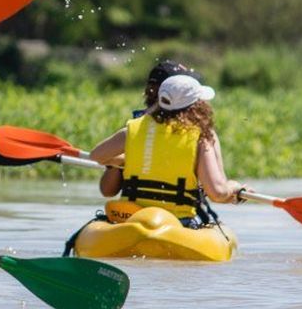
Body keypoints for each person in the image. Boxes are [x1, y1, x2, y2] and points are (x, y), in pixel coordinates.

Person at [88, 60, 246, 228]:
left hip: (129, 217)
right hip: (177, 222)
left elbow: (95, 156)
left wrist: (126, 159)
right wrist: (234, 188)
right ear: (197, 106)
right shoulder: (201, 137)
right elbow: (217, 192)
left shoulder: (133, 129)